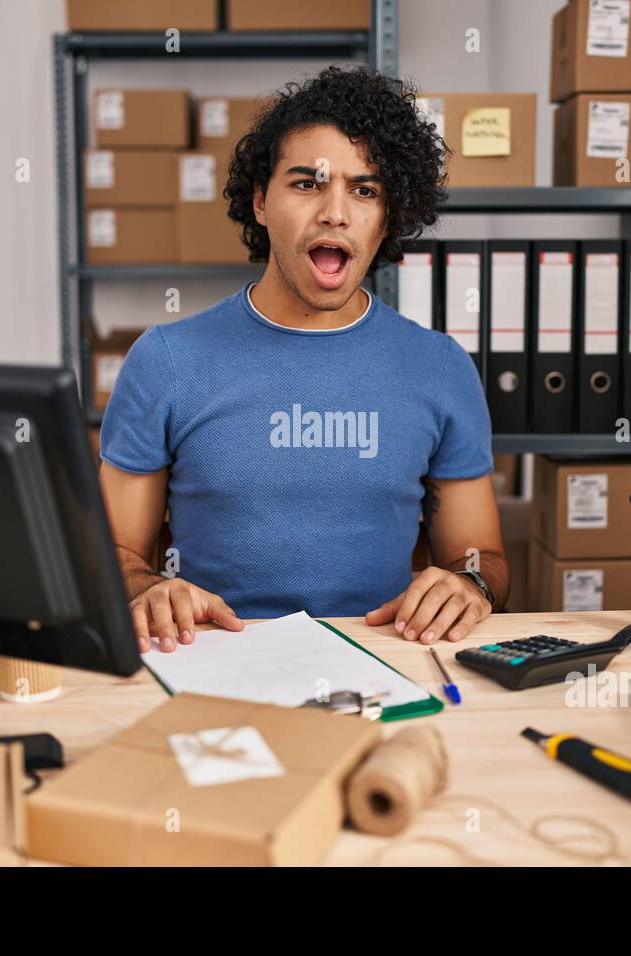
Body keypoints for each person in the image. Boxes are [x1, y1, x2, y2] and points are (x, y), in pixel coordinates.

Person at [98, 65, 507, 653]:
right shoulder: (166, 360)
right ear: (261, 201)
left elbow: (484, 559)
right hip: (210, 657)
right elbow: (111, 555)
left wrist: (469, 585)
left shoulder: (439, 366)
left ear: (387, 217)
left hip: (387, 666)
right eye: (308, 184)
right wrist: (144, 588)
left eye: (364, 190)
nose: (335, 213)